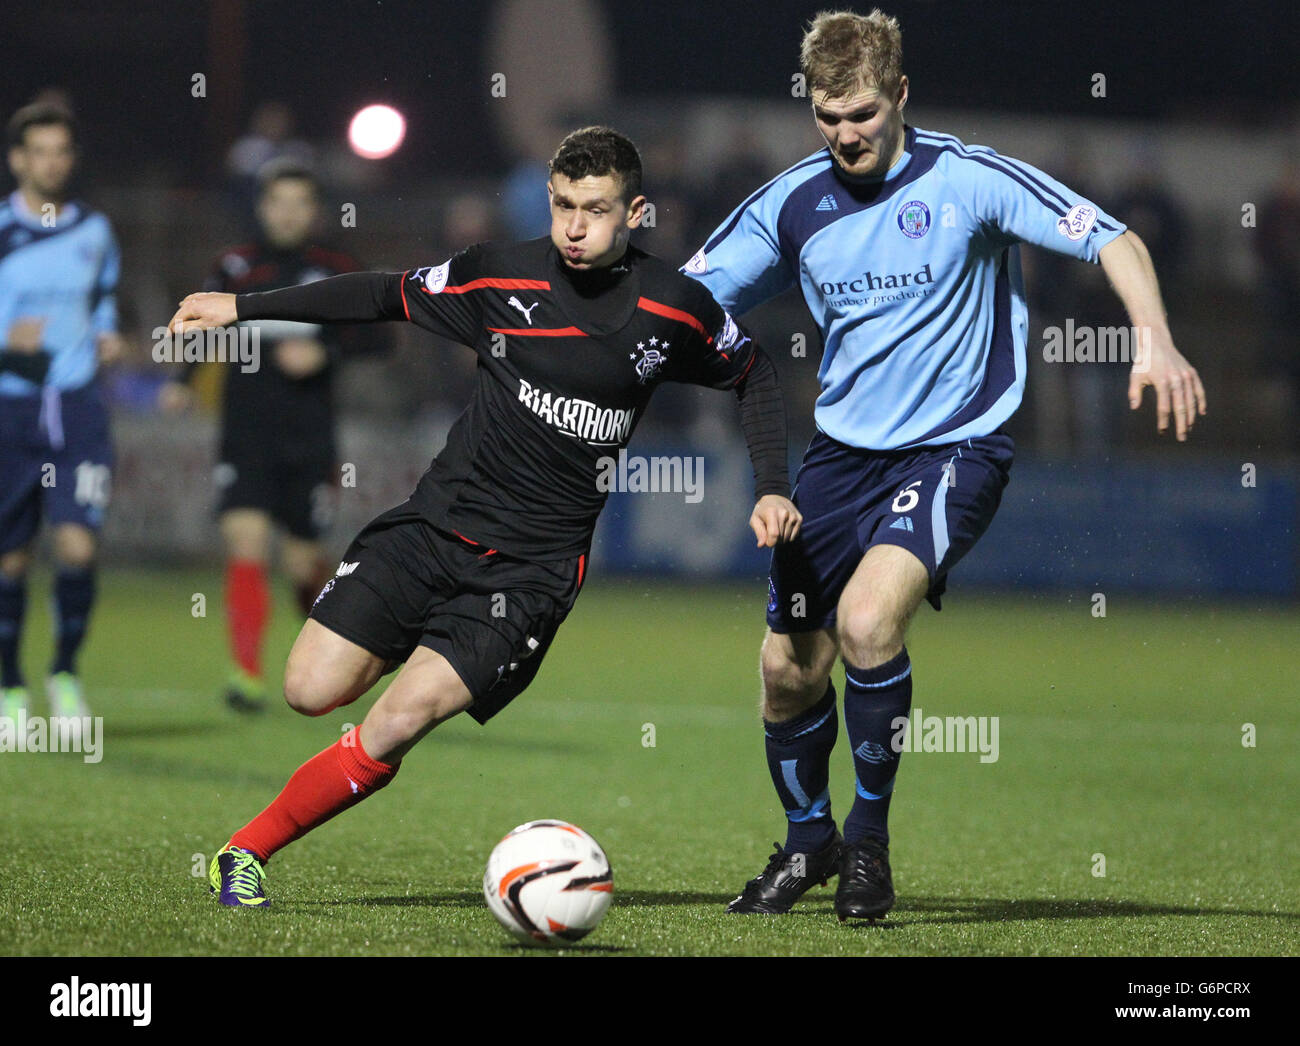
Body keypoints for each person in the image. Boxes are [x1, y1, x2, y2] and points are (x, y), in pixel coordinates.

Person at [168, 126, 801, 907]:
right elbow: (381, 293)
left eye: (596, 210)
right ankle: (377, 684)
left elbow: (756, 373)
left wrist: (773, 483)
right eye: (564, 205)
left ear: (635, 212)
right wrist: (244, 308)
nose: (575, 226)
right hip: (432, 529)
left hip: (530, 574)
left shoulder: (675, 309)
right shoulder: (496, 278)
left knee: (398, 722)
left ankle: (244, 853)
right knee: (307, 687)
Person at [684, 9, 1207, 921]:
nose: (845, 135)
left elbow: (1114, 238)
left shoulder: (967, 180)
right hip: (839, 459)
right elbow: (683, 299)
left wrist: (1153, 341)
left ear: (901, 97)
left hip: (956, 447)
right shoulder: (794, 202)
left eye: (863, 114)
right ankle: (811, 843)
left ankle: (869, 848)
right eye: (826, 116)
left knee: (868, 621)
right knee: (784, 670)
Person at [159, 162, 388, 712]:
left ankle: (334, 654)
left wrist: (325, 351)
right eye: (277, 202)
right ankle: (247, 676)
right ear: (261, 208)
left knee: (304, 565)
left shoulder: (337, 269)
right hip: (246, 434)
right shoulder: (235, 267)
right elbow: (192, 324)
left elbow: (381, 338)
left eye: (299, 203)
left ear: (315, 211)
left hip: (310, 440)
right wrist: (183, 381)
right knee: (246, 542)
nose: (288, 213)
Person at [0, 102, 124, 723]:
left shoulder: (95, 232)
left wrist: (107, 334)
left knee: (77, 548)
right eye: (38, 150)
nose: (51, 162)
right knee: (11, 559)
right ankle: (9, 688)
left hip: (76, 410)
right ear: (17, 159)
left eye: (61, 151)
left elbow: (104, 301)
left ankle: (65, 674)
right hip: (9, 412)